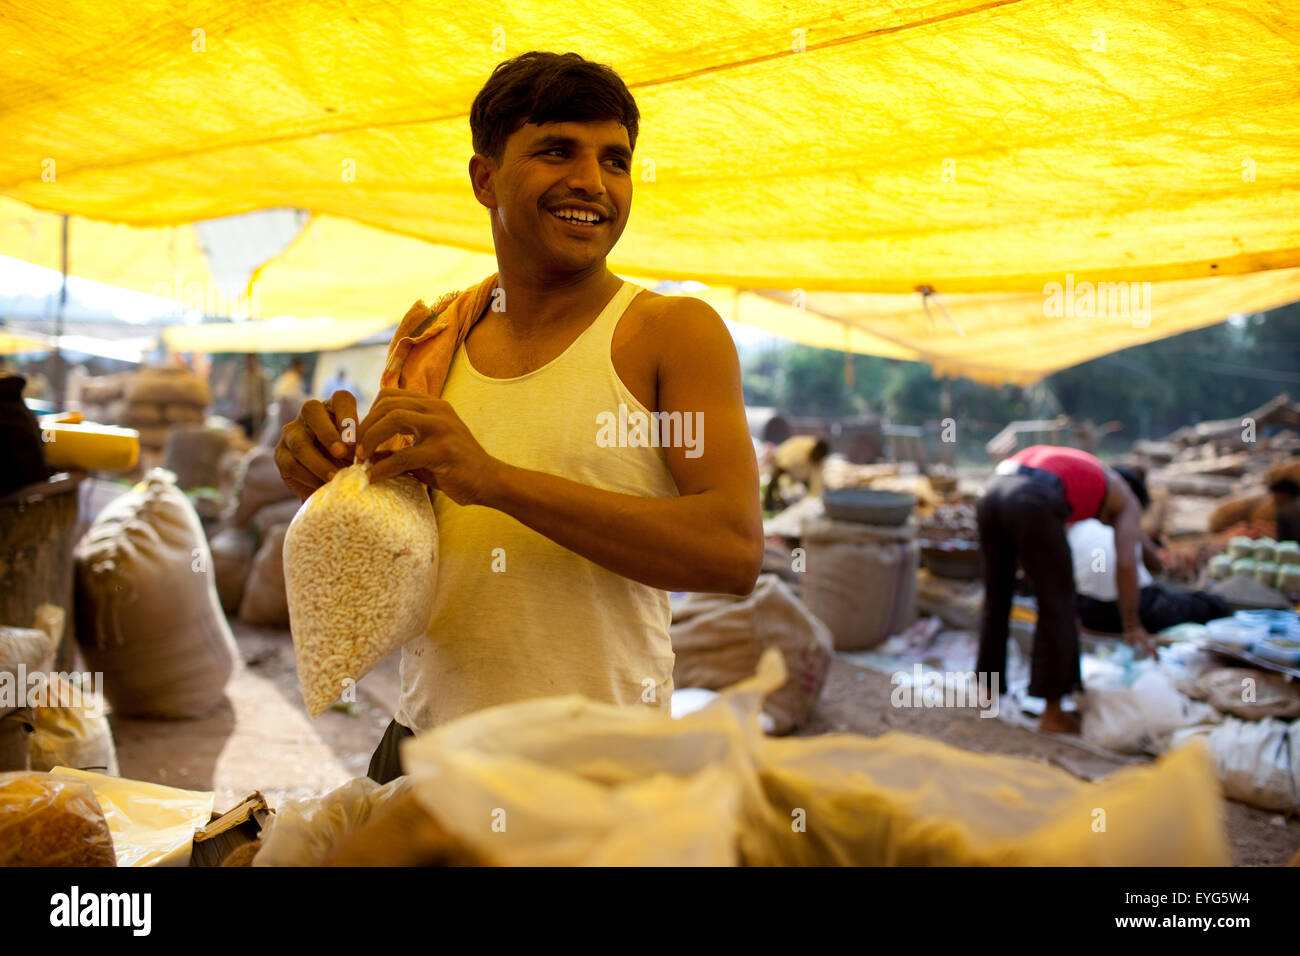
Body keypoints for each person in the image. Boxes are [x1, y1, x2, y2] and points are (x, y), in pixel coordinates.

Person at [273, 51, 764, 783]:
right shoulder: (435, 333)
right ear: (484, 179)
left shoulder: (672, 333)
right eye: (557, 150)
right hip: (423, 748)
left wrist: (494, 478)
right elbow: (400, 524)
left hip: (597, 771)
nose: (593, 183)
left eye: (616, 160)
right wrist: (325, 474)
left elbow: (732, 552)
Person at [977, 444, 1155, 735]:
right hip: (1031, 498)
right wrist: (1132, 625)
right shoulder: (1127, 501)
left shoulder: (1083, 477)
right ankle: (1053, 714)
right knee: (1059, 604)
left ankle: (987, 694)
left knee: (997, 598)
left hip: (991, 491)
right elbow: (1126, 560)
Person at [1072, 468, 1230, 633]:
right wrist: (1132, 626)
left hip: (1087, 611)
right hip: (1134, 610)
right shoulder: (1122, 515)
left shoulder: (1077, 519)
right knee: (1212, 604)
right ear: (1128, 490)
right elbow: (1141, 564)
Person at [763, 435, 830, 512]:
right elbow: (780, 468)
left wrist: (812, 499)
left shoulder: (818, 463)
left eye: (818, 458)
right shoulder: (798, 452)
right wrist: (774, 493)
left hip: (799, 474)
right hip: (782, 463)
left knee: (799, 493)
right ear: (814, 450)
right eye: (816, 456)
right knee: (773, 485)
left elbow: (816, 486)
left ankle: (780, 505)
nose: (816, 458)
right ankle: (768, 505)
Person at [233, 353, 270, 439]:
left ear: (256, 361)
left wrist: (263, 412)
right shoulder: (244, 375)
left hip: (256, 412)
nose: (249, 363)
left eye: (251, 360)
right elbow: (240, 394)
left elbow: (265, 396)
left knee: (255, 437)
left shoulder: (262, 376)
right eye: (247, 361)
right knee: (244, 436)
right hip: (244, 412)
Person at [1269, 476, 1300, 544]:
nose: (1274, 499)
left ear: (1283, 494)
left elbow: (1284, 543)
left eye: (1275, 494)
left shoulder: (1284, 512)